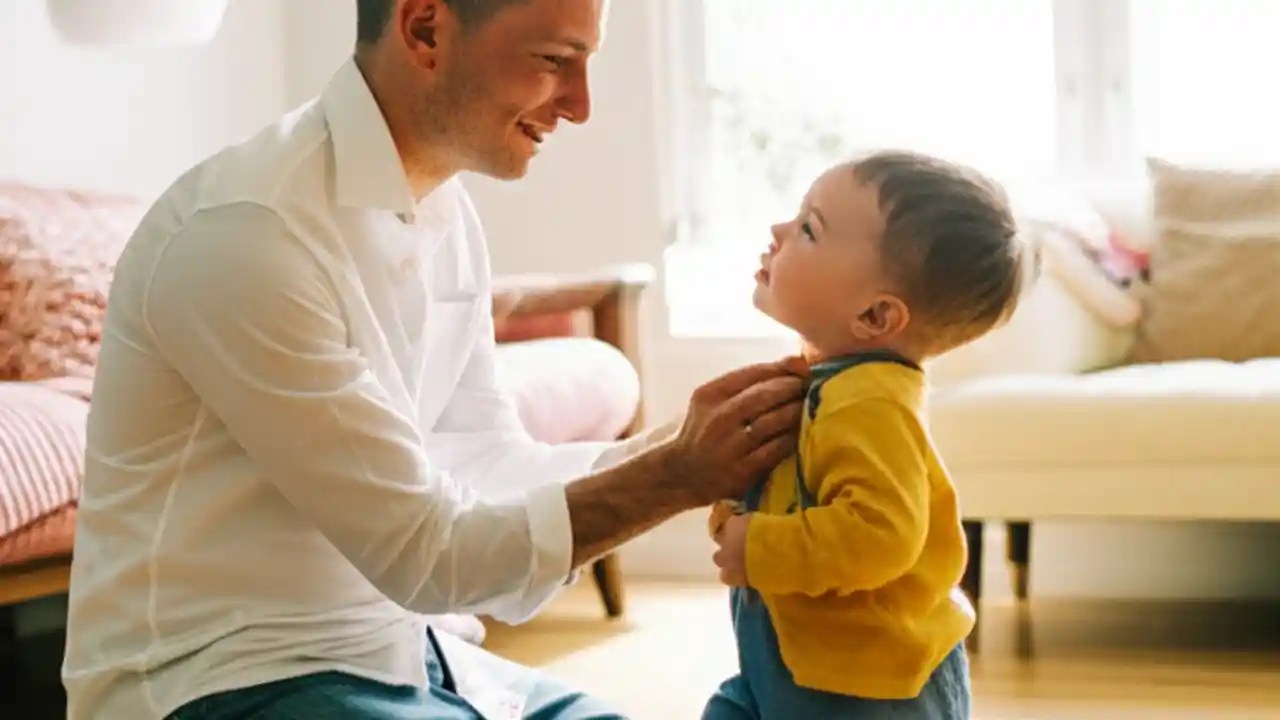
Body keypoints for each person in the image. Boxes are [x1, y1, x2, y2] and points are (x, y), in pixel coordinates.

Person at [60, 1, 808, 718]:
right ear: (424, 28)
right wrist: (678, 473)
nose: (580, 105)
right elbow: (428, 556)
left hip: (397, 651)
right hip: (223, 681)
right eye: (554, 60)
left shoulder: (445, 212)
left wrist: (700, 442)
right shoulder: (247, 238)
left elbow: (483, 462)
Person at [705, 150, 1036, 719]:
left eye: (808, 229)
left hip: (869, 693)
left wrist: (755, 545)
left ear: (877, 317)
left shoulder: (872, 405)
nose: (779, 230)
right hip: (793, 665)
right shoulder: (827, 383)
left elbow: (880, 533)